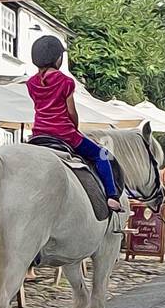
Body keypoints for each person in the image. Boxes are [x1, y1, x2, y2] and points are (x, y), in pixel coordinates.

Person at [27, 36, 122, 212]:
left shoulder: (31, 83)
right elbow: (71, 111)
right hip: (64, 134)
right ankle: (111, 196)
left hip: (39, 134)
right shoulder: (65, 81)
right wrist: (74, 127)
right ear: (58, 59)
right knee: (101, 154)